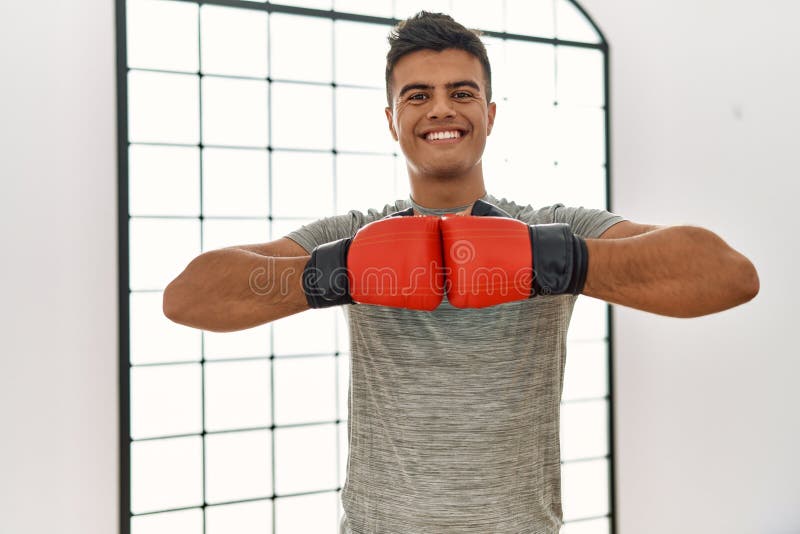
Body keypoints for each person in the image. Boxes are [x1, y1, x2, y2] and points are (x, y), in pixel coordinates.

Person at [163, 11, 759, 534]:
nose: (441, 108)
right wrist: (338, 271)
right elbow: (188, 296)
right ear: (392, 120)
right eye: (417, 95)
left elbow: (727, 274)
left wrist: (556, 261)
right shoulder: (352, 236)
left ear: (490, 113)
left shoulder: (552, 226)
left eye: (462, 92)